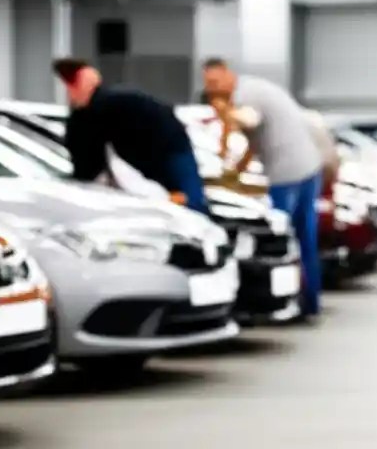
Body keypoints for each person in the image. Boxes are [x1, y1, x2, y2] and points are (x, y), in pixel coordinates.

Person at [202, 59, 324, 319]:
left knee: (277, 241)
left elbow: (249, 121)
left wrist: (223, 112)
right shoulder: (256, 88)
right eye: (207, 85)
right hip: (308, 166)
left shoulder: (247, 94)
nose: (212, 90)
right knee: (304, 239)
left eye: (214, 83)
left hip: (287, 173)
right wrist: (236, 169)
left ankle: (285, 303)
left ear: (227, 74)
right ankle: (309, 303)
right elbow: (255, 141)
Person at [52, 58, 207, 214]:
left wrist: (83, 177)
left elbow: (89, 153)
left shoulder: (96, 110)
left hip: (165, 151)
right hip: (168, 148)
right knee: (189, 200)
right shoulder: (111, 101)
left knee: (188, 203)